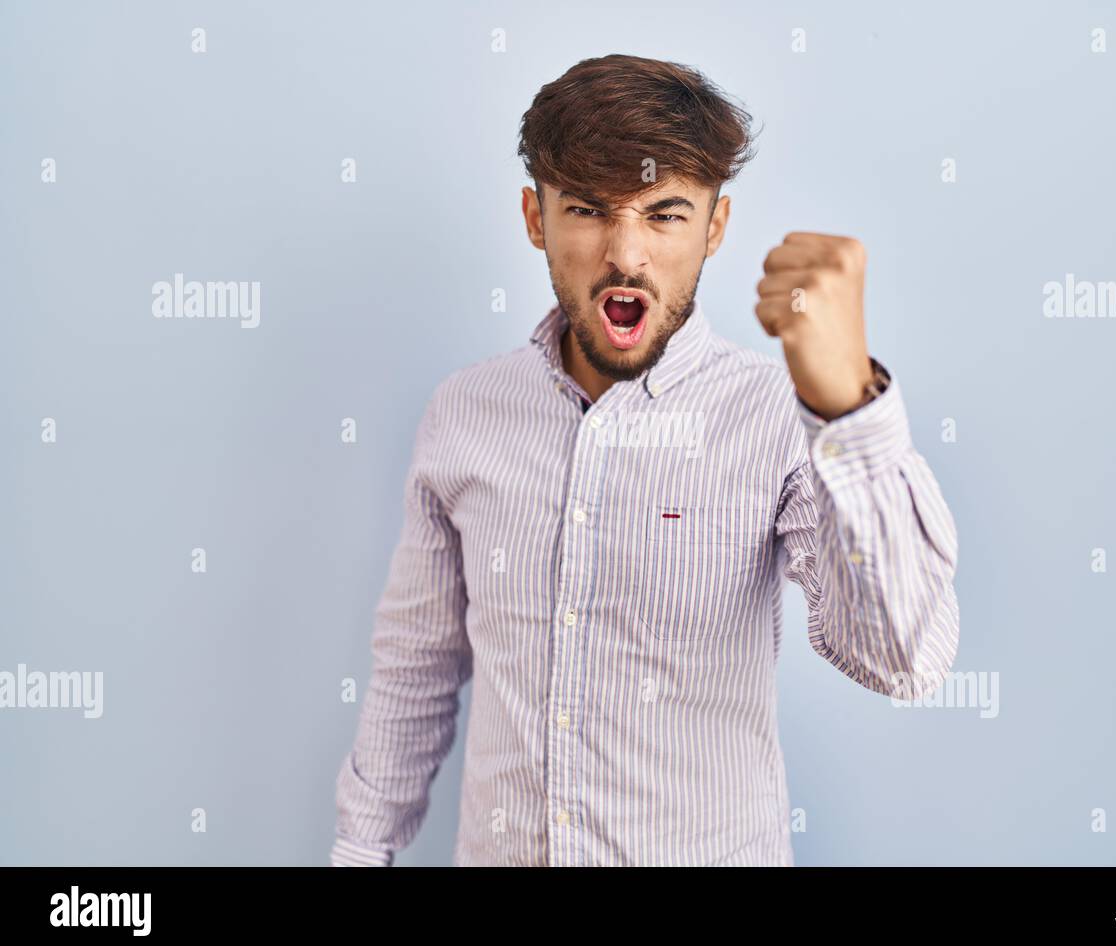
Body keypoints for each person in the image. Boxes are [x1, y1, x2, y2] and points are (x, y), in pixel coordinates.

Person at [331, 53, 959, 867]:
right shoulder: (464, 413)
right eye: (588, 209)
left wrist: (847, 412)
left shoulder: (774, 418)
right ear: (534, 217)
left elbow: (903, 662)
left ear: (715, 227)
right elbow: (415, 670)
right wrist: (358, 853)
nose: (625, 256)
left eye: (664, 214)